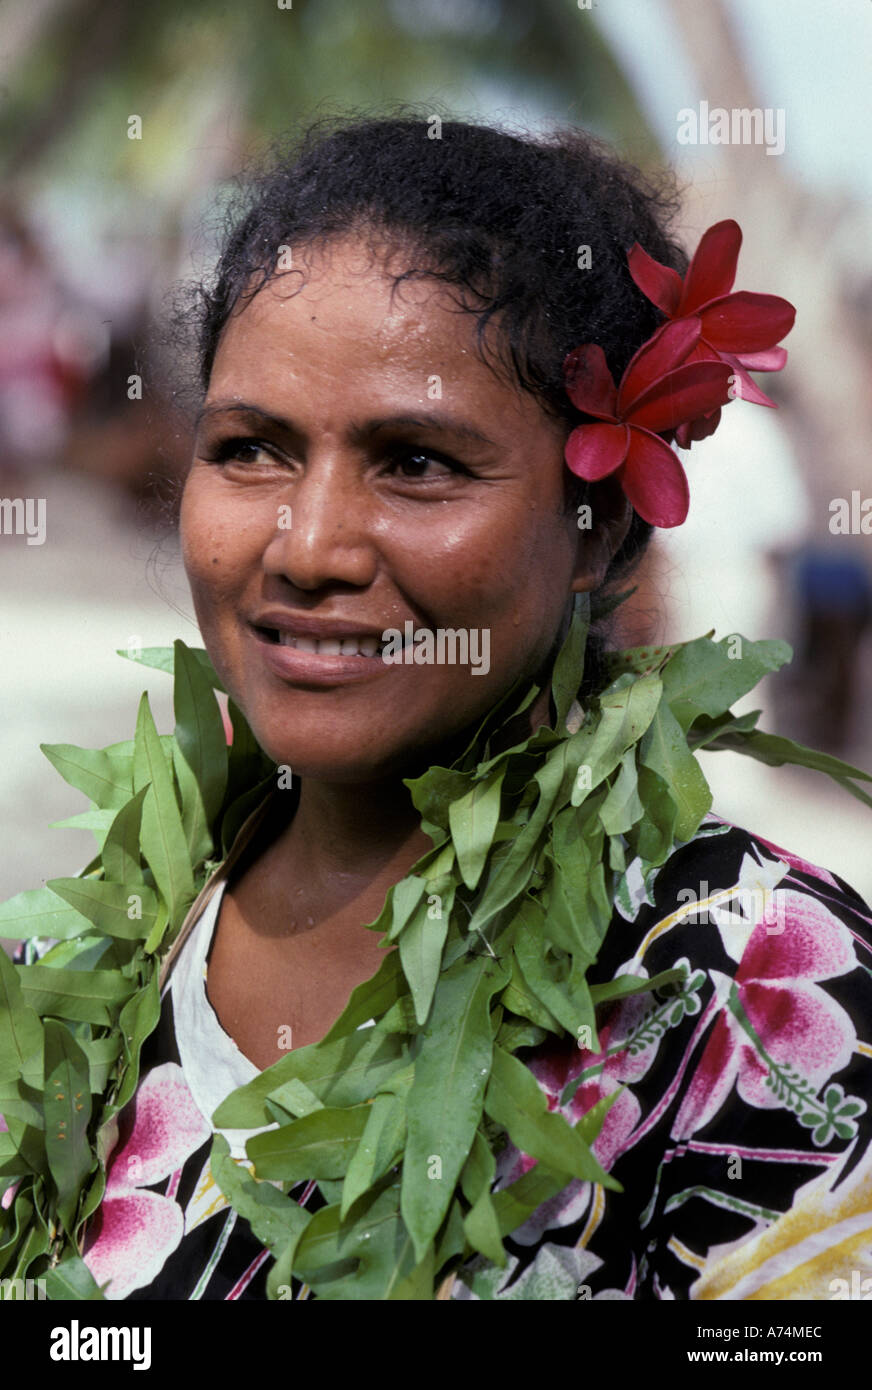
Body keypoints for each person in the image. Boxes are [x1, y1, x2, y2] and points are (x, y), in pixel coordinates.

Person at [2, 113, 872, 1304]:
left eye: (415, 462)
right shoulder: (75, 967)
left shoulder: (742, 982)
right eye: (250, 448)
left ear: (597, 527)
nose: (305, 547)